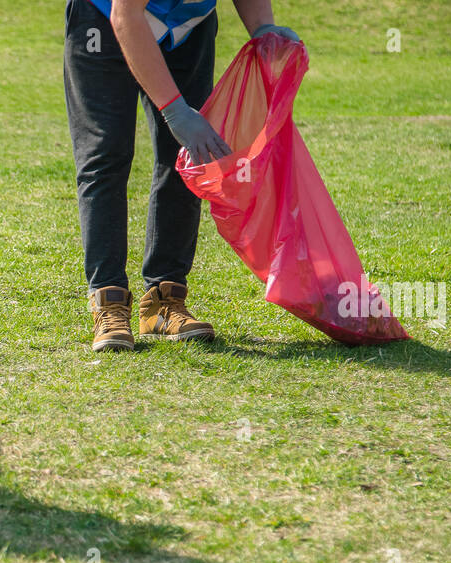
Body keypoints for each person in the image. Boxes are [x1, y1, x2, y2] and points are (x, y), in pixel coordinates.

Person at [63, 0, 299, 351]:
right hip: (105, 20)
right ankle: (108, 300)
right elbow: (125, 15)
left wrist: (263, 27)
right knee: (106, 155)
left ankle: (163, 302)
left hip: (188, 29)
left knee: (189, 157)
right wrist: (174, 109)